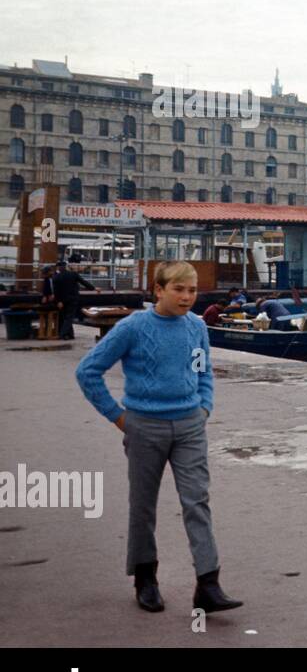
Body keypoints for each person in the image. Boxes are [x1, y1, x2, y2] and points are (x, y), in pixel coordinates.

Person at [75, 260, 242, 615]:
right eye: (178, 290)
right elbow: (88, 370)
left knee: (197, 501)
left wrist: (204, 408)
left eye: (192, 290)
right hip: (144, 426)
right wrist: (118, 417)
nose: (186, 297)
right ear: (159, 290)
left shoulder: (196, 327)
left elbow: (203, 371)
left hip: (190, 426)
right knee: (143, 505)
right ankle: (145, 579)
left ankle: (208, 584)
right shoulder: (133, 327)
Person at [52, 260, 96, 339]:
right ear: (65, 267)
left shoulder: (56, 277)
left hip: (62, 300)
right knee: (69, 317)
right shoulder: (73, 274)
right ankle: (63, 334)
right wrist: (92, 288)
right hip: (73, 299)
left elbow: (56, 291)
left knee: (65, 317)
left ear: (58, 268)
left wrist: (58, 301)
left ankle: (70, 335)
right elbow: (84, 282)